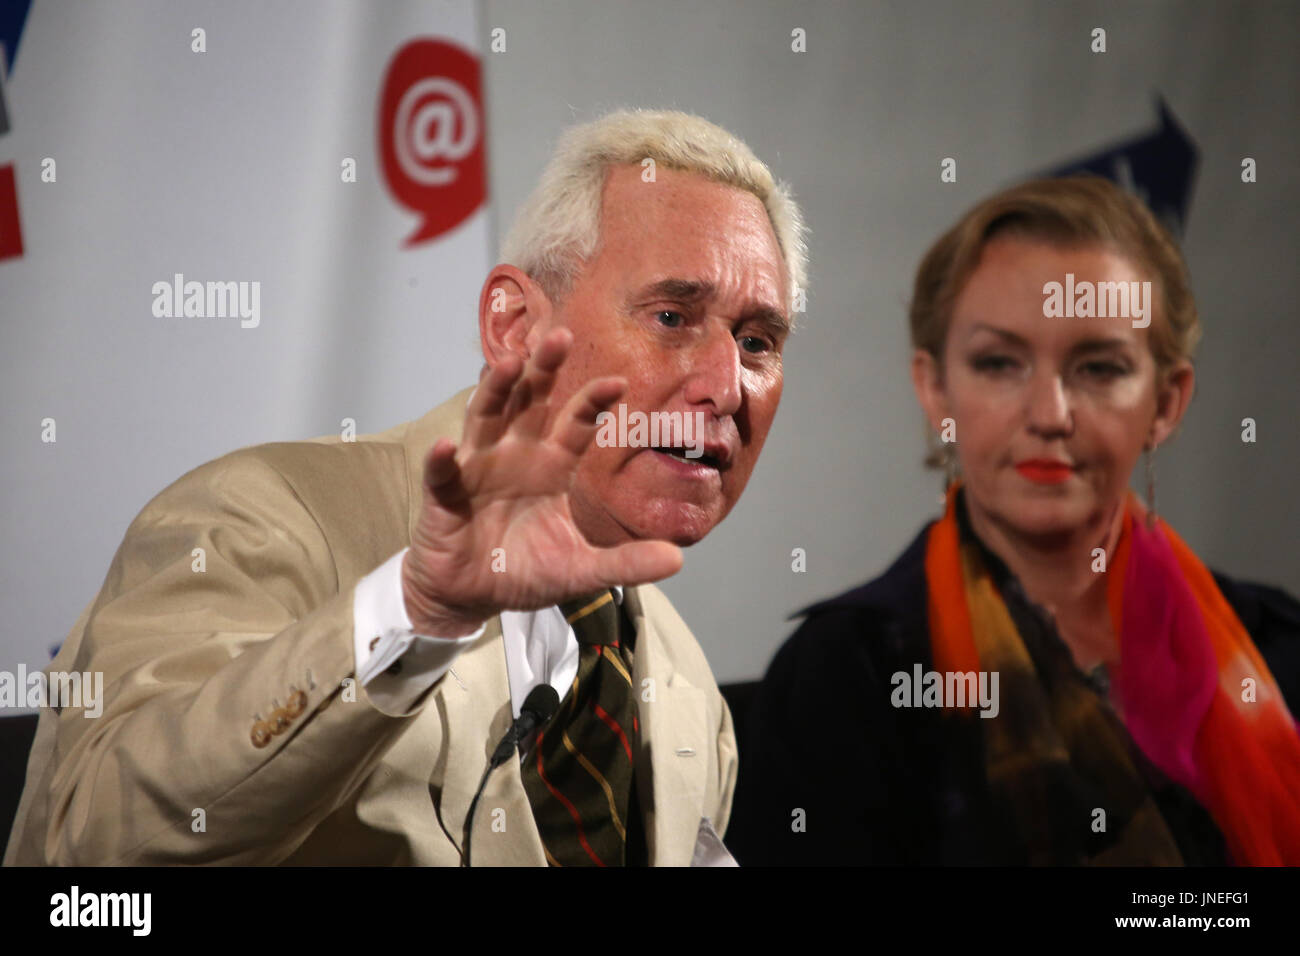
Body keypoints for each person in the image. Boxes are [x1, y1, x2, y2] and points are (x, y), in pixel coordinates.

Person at [4, 108, 807, 867]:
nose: (725, 384)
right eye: (671, 316)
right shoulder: (256, 518)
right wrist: (418, 612)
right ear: (514, 328)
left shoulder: (684, 681)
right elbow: (99, 844)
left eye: (757, 341)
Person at [726, 175, 1300, 866]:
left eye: (1099, 367)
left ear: (1167, 403)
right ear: (935, 389)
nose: (1050, 414)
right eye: (999, 363)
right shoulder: (848, 675)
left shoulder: (1282, 649)